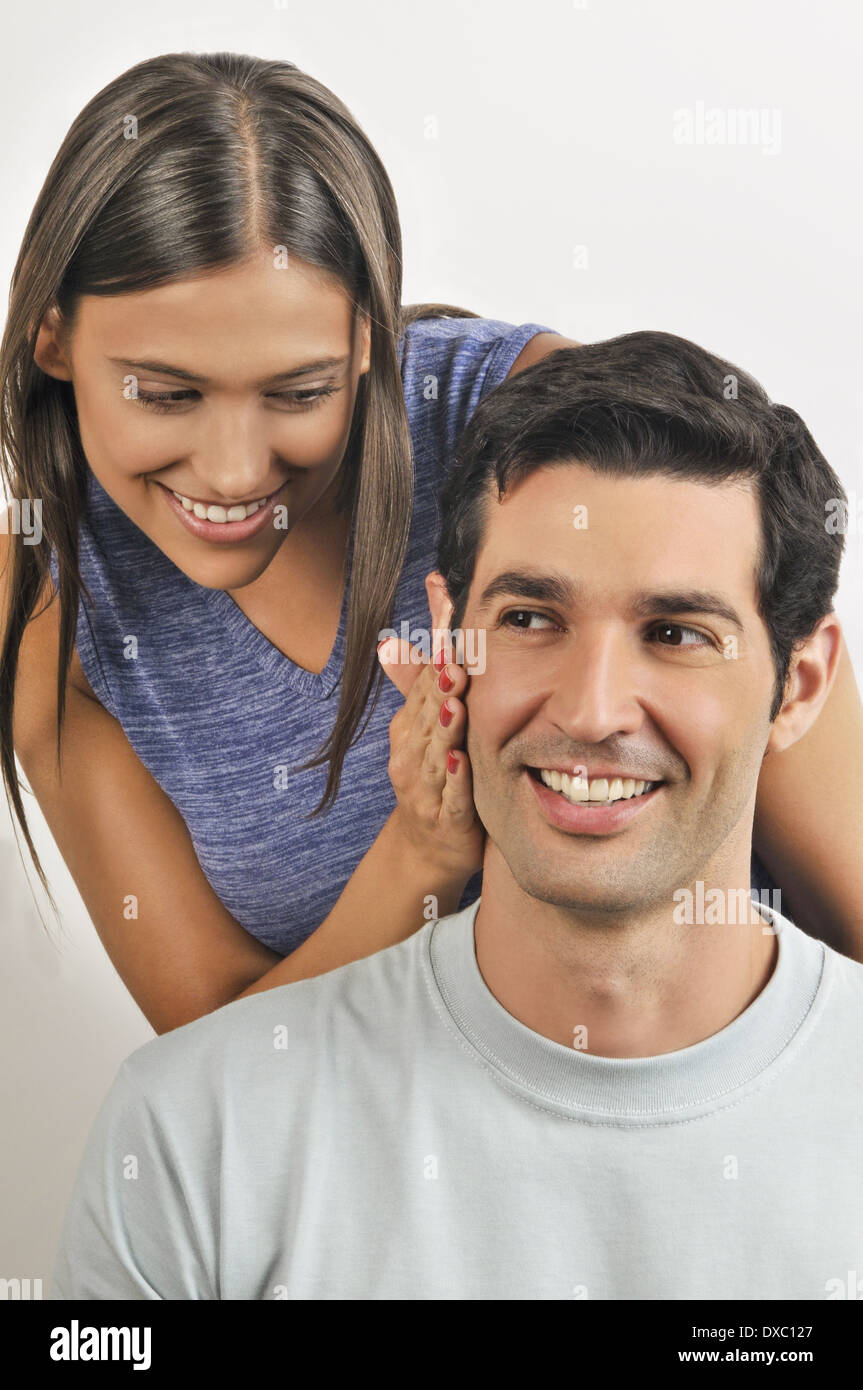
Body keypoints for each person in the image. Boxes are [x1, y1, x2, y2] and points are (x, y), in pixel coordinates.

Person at [1, 57, 861, 1041]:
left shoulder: (557, 437)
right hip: (382, 1171)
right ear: (53, 339)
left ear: (367, 337)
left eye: (299, 390)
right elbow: (213, 1058)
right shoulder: (47, 611)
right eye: (164, 392)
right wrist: (417, 852)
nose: (234, 470)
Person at [49, 332, 863, 1300]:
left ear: (798, 684)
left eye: (674, 634)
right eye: (528, 618)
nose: (589, 709)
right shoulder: (188, 1134)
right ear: (447, 636)